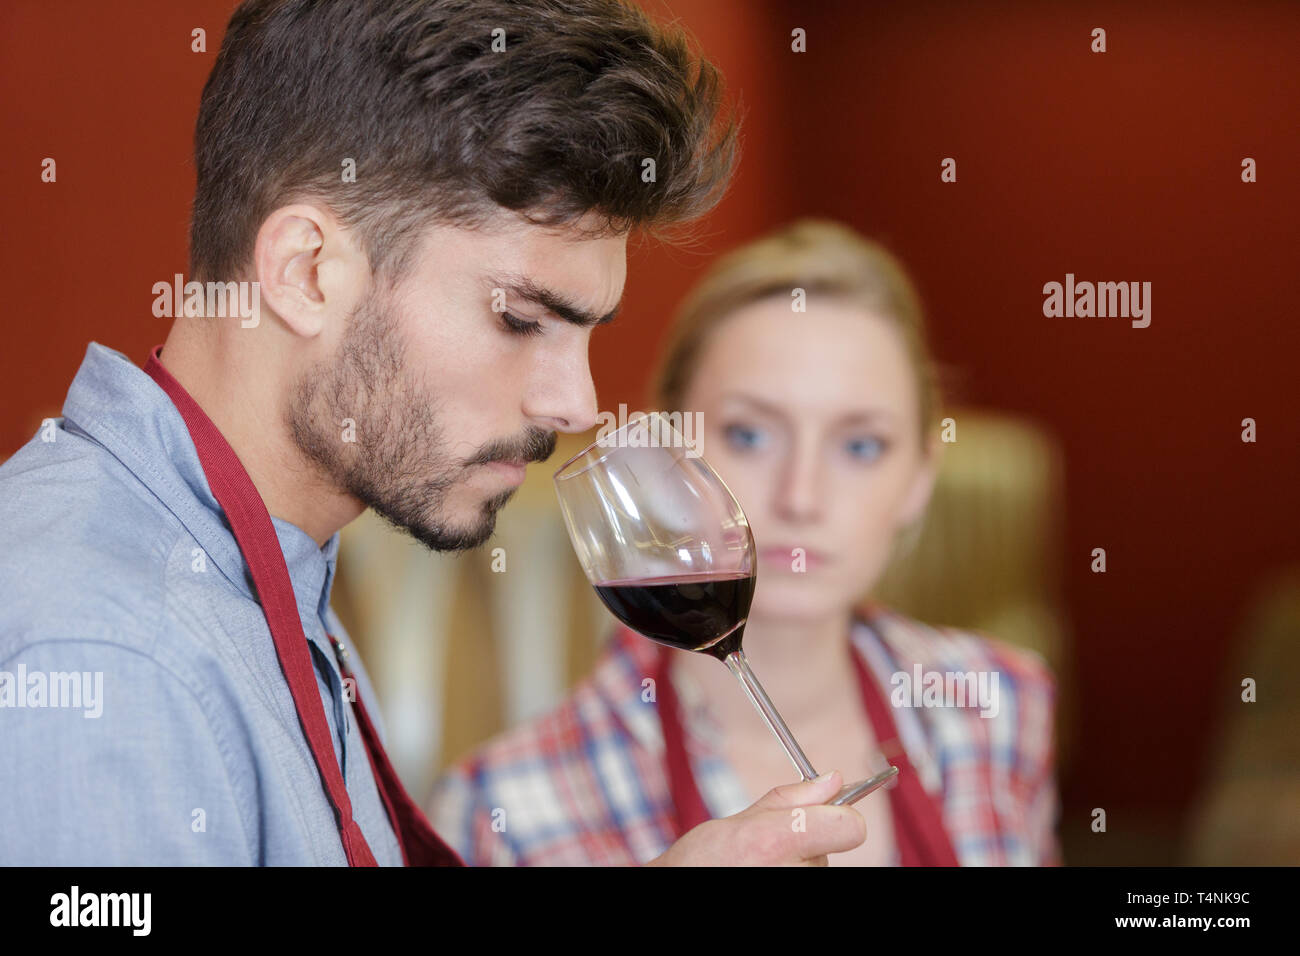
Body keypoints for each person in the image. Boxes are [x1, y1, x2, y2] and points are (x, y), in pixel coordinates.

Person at [0, 0, 868, 867]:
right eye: (521, 320)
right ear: (306, 272)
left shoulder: (269, 569)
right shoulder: (108, 660)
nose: (577, 406)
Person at [427, 219, 1063, 866]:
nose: (801, 496)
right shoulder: (504, 812)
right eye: (751, 436)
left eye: (861, 445)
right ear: (666, 458)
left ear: (920, 478)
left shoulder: (1001, 705)